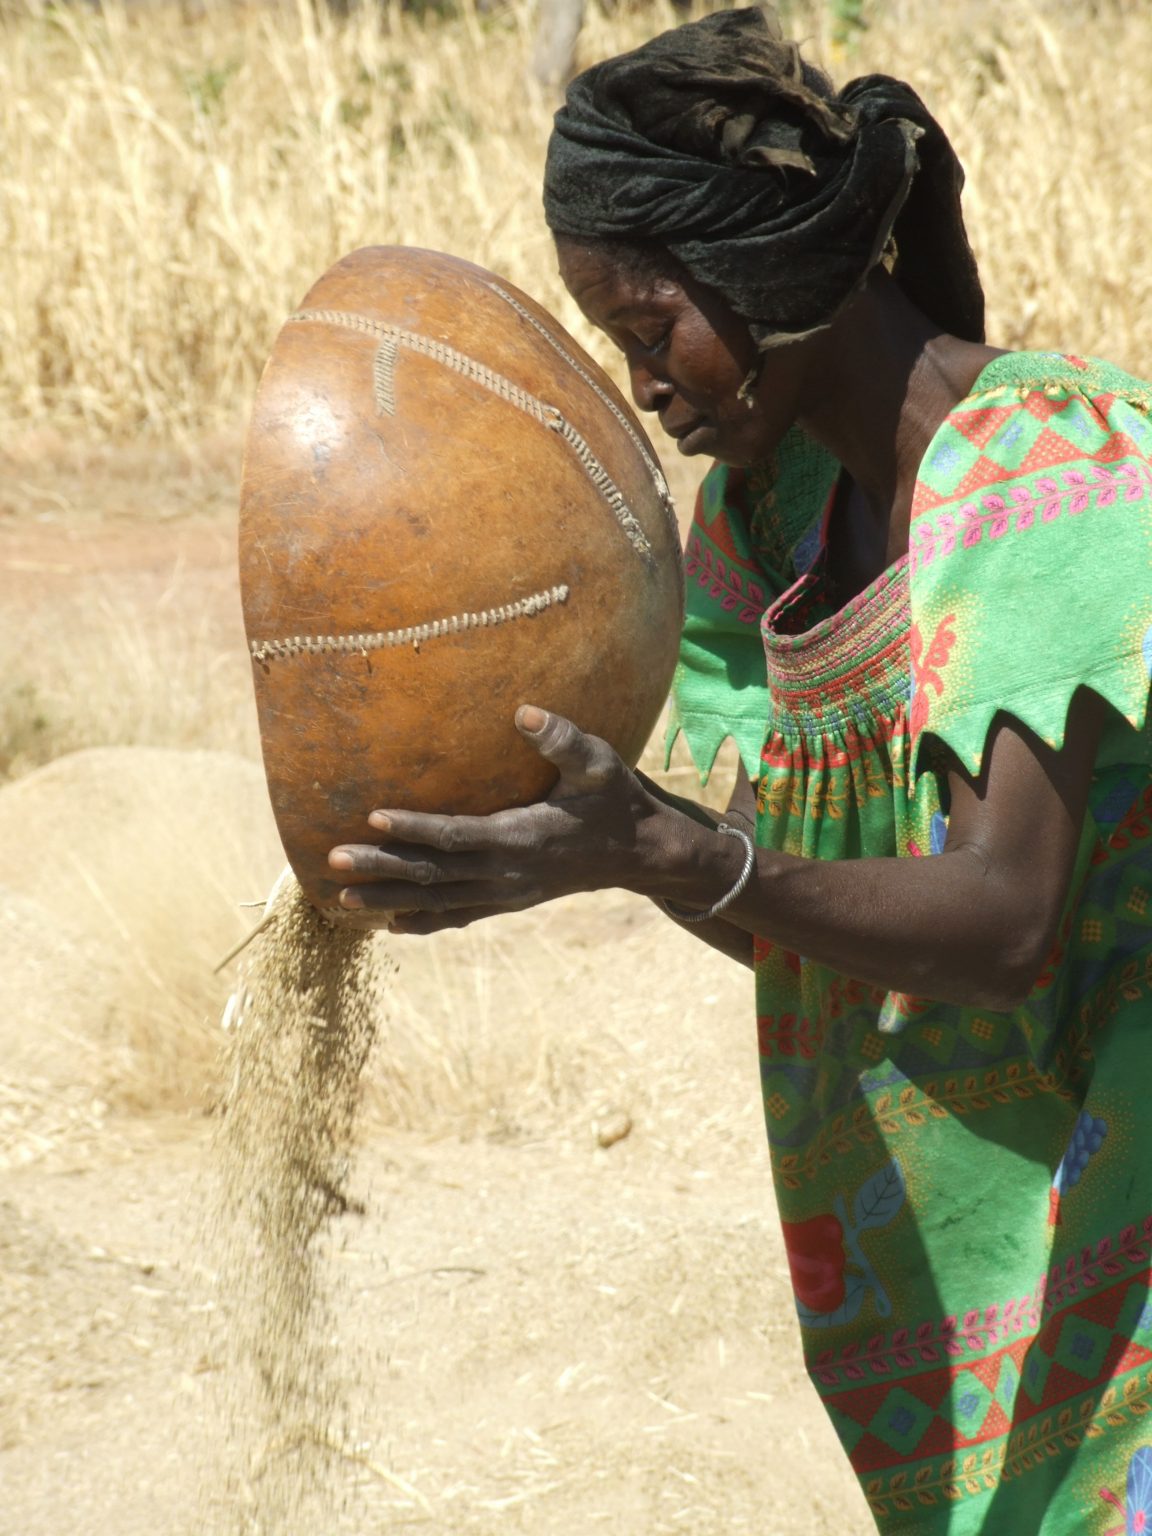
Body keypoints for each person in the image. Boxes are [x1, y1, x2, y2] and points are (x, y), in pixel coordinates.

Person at [327, 10, 1152, 1530]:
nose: (645, 384)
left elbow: (1004, 918)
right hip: (979, 1229)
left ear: (764, 266)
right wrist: (598, 851)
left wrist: (672, 852)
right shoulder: (770, 525)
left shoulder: (1046, 466)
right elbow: (788, 908)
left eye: (652, 329)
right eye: (618, 347)